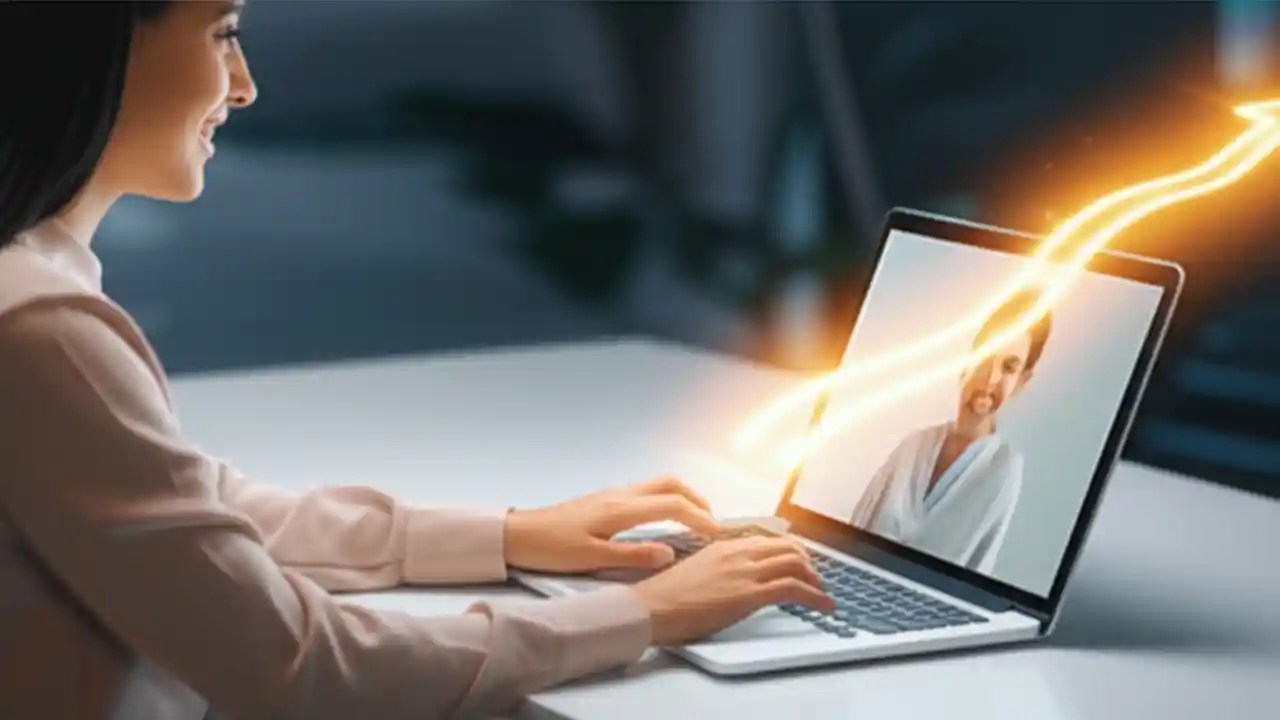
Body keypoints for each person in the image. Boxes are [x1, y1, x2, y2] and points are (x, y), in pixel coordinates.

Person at [0, 3, 834, 719]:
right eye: (222, 33)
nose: (246, 83)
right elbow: (302, 668)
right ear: (103, 43)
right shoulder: (42, 327)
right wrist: (641, 616)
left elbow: (201, 509)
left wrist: (509, 537)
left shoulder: (35, 284)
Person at [849, 290, 1053, 573]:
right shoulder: (914, 445)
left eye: (1009, 367)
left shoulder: (1003, 468)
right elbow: (850, 535)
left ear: (1022, 382)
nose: (990, 378)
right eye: (985, 356)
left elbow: (975, 571)